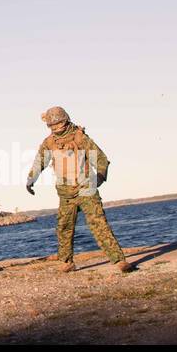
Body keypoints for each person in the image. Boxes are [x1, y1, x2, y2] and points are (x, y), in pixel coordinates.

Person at [25, 106, 135, 273]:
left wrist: (98, 179)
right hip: (65, 192)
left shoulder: (80, 138)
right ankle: (66, 262)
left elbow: (100, 159)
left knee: (99, 224)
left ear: (65, 120)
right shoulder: (49, 143)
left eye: (58, 124)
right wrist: (30, 180)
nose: (55, 128)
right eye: (52, 125)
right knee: (64, 227)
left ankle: (119, 261)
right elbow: (39, 162)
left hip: (86, 189)